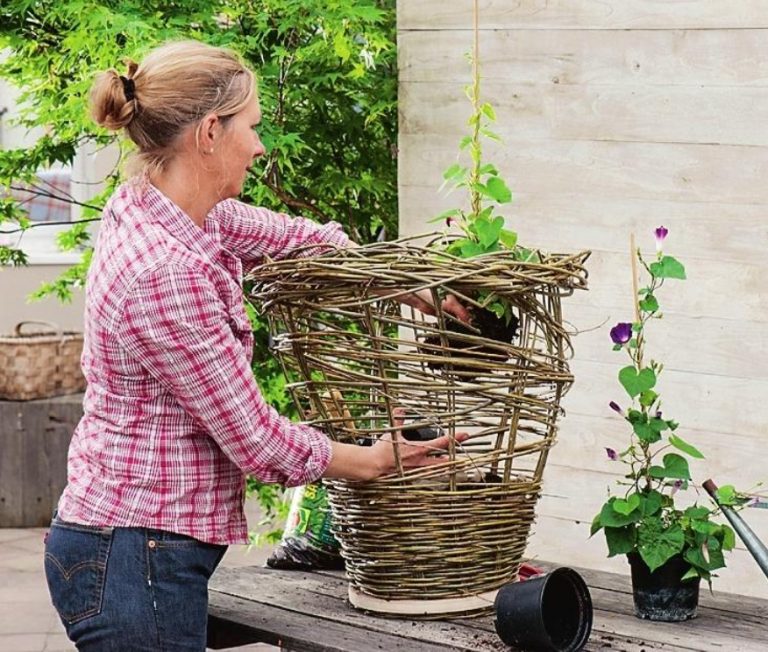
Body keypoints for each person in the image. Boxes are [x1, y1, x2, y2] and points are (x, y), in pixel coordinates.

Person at [43, 40, 468, 651]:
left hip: (132, 544)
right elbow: (257, 441)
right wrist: (374, 461)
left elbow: (298, 238)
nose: (261, 145)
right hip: (132, 553)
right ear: (210, 133)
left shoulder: (168, 208)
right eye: (253, 127)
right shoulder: (166, 272)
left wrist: (405, 285)